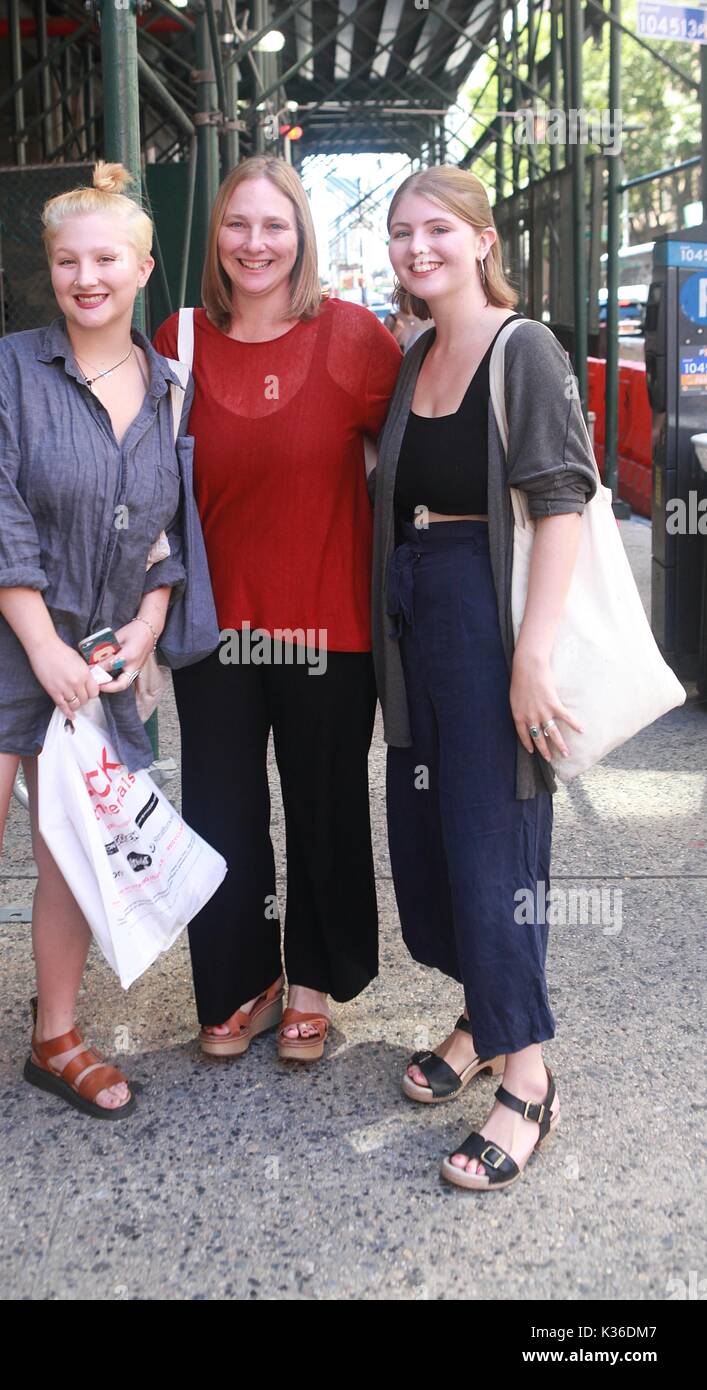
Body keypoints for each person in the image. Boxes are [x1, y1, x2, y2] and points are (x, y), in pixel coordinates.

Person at [0, 161, 218, 1194]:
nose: (87, 277)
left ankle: (57, 1035)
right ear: (52, 269)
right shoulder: (8, 371)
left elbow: (168, 531)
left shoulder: (167, 387)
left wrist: (149, 621)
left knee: (74, 855)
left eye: (107, 259)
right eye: (69, 260)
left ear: (143, 269)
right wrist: (41, 645)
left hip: (95, 657)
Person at [370, 165, 596, 1190]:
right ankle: (479, 1017)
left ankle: (530, 1079)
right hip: (417, 608)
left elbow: (560, 506)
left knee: (493, 839)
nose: (419, 250)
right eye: (402, 234)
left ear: (481, 239)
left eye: (438, 231)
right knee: (429, 833)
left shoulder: (525, 347)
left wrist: (531, 657)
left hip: (485, 611)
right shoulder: (415, 353)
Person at [155, 156, 402, 1061]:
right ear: (215, 236)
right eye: (237, 225)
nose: (254, 244)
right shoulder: (176, 339)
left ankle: (312, 983)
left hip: (327, 628)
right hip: (215, 626)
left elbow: (416, 445)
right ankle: (239, 981)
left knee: (323, 804)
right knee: (219, 811)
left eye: (274, 226)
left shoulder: (351, 337)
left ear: (301, 236)